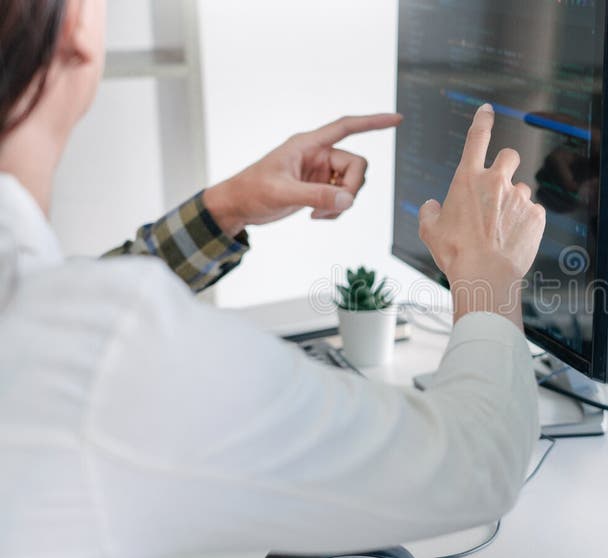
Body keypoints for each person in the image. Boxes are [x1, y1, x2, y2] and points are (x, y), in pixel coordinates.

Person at [0, 0, 547, 556]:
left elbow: (65, 307)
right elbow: (475, 464)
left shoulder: (43, 317)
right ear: (77, 27)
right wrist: (486, 276)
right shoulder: (107, 350)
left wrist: (226, 207)